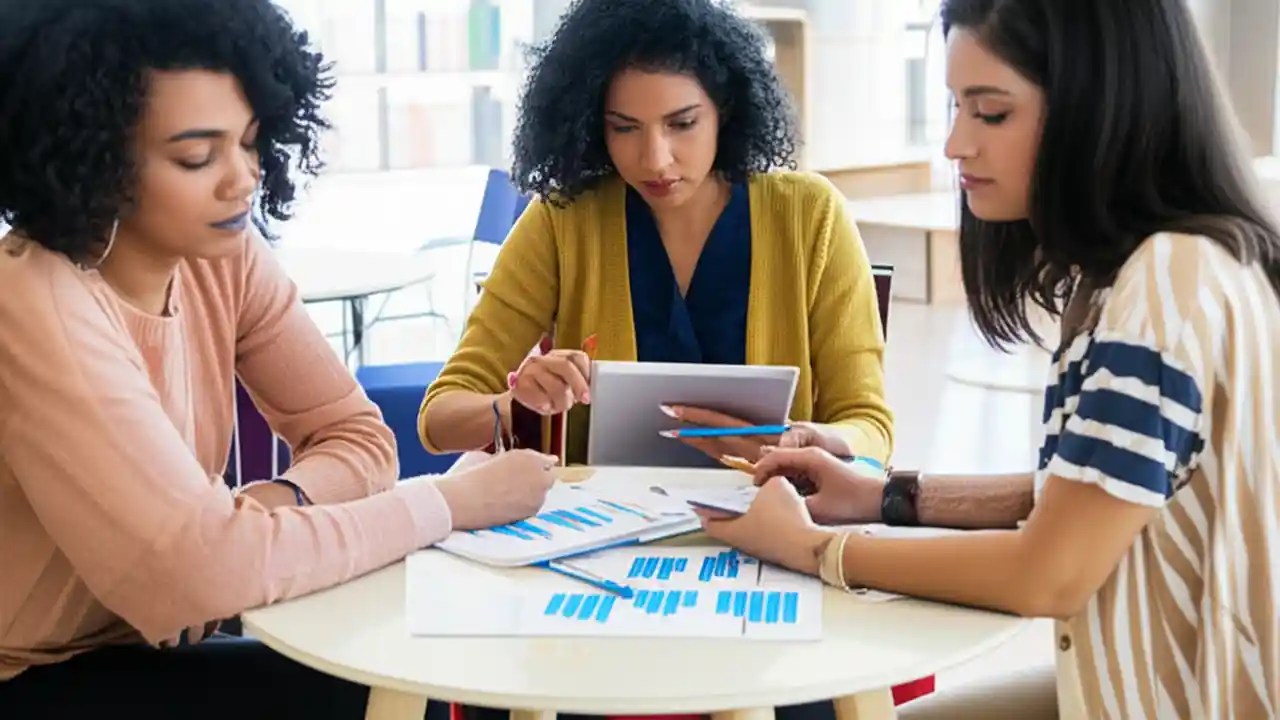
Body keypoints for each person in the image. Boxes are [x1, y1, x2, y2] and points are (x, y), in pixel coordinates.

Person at [696, 0, 1280, 718]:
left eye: (991, 114)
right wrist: (883, 497)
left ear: (1098, 110)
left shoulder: (1167, 282)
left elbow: (1051, 572)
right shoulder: (1163, 266)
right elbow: (1089, 494)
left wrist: (816, 547)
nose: (954, 146)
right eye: (955, 108)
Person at [0, 1, 556, 716]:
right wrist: (445, 503)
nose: (242, 179)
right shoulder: (33, 303)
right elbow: (203, 573)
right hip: (32, 674)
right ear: (93, 157)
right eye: (196, 156)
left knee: (464, 678)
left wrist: (270, 507)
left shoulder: (221, 258)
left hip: (152, 644)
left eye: (251, 141)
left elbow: (359, 439)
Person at [418, 0, 894, 470]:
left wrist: (813, 440)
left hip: (777, 524)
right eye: (624, 128)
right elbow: (438, 418)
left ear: (724, 111)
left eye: (682, 124)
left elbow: (869, 426)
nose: (654, 159)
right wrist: (513, 404)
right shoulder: (563, 221)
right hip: (597, 533)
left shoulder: (811, 215)